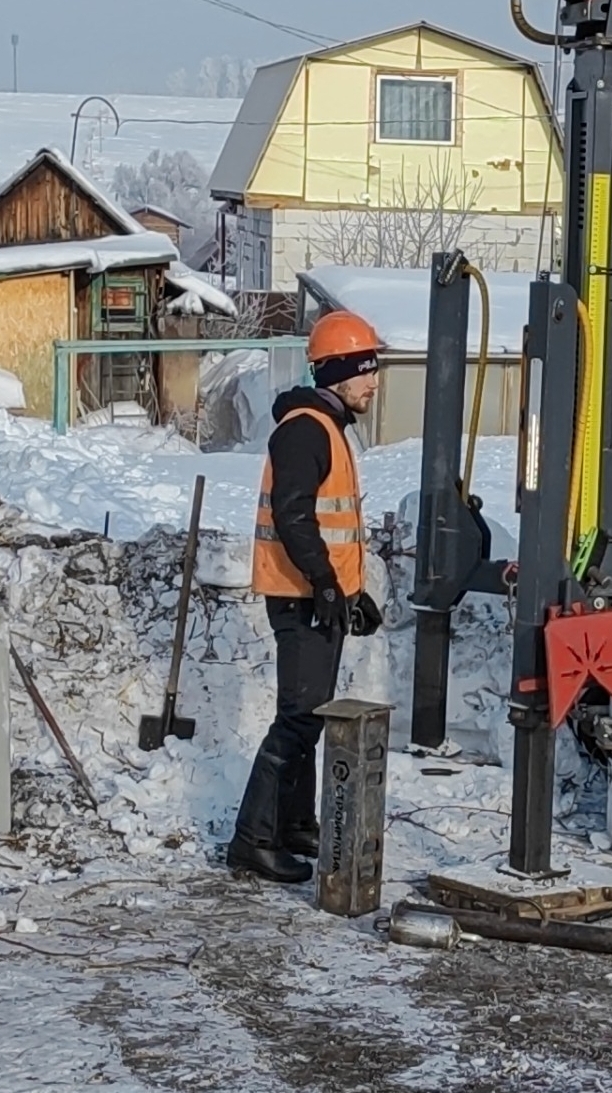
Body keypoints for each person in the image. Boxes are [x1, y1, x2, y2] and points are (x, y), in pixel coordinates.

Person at [226, 310, 387, 883]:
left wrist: (349, 593)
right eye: (366, 371)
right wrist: (324, 584)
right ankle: (253, 841)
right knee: (297, 719)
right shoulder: (306, 430)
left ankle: (294, 825)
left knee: (310, 715)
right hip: (300, 597)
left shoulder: (328, 428)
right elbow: (294, 518)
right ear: (338, 372)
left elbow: (328, 523)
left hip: (315, 594)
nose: (374, 382)